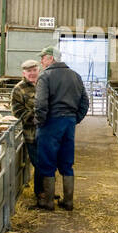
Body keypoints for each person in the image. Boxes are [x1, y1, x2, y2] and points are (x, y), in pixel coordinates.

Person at [34, 45, 89, 212]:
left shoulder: (45, 76)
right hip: (69, 123)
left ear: (51, 58)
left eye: (43, 57)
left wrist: (41, 122)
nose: (41, 61)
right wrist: (74, 119)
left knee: (47, 161)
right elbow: (85, 103)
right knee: (66, 162)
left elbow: (40, 103)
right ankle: (68, 202)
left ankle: (49, 202)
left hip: (50, 123)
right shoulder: (76, 76)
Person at [10, 59, 40, 193]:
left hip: (49, 132)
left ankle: (48, 191)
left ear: (38, 70)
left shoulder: (45, 84)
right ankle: (41, 194)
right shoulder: (19, 89)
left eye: (34, 70)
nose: (32, 73)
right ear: (24, 72)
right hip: (31, 134)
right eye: (29, 71)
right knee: (38, 163)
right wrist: (34, 118)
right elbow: (17, 110)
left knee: (49, 162)